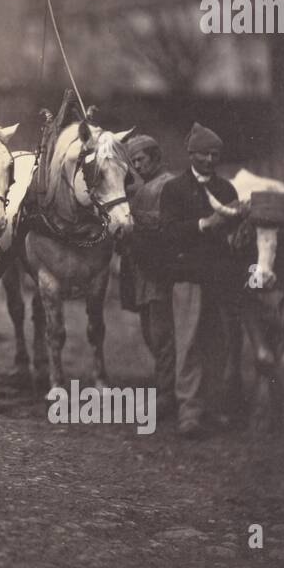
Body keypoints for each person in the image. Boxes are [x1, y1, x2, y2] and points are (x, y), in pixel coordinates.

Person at [157, 122, 243, 438]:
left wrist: (237, 235)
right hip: (188, 278)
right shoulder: (174, 189)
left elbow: (234, 233)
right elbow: (168, 233)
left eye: (215, 154)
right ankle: (189, 412)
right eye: (204, 154)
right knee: (189, 343)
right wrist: (206, 224)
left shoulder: (227, 190)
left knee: (217, 343)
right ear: (191, 154)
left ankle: (213, 407)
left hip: (219, 280)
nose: (210, 159)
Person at [120, 134, 178, 420]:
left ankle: (168, 394)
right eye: (132, 162)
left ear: (155, 158)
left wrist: (135, 226)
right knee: (149, 333)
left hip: (159, 271)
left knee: (161, 334)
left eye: (140, 160)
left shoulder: (169, 185)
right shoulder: (139, 188)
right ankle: (168, 387)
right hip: (139, 272)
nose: (137, 166)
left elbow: (168, 226)